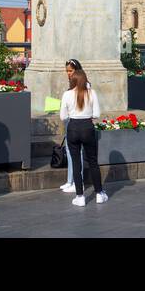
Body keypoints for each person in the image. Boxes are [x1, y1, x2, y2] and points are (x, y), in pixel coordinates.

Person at [60, 66, 105, 206]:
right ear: (85, 80)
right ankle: (99, 193)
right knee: (93, 162)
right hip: (87, 127)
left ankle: (80, 196)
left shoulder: (67, 94)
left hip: (73, 127)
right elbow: (97, 114)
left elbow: (63, 116)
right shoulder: (92, 93)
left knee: (75, 162)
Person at [60, 59, 87, 193]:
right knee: (70, 153)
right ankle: (70, 180)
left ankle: (78, 182)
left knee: (77, 154)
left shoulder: (85, 86)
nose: (68, 73)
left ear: (77, 70)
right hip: (70, 122)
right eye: (67, 71)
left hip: (77, 122)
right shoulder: (72, 85)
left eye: (70, 71)